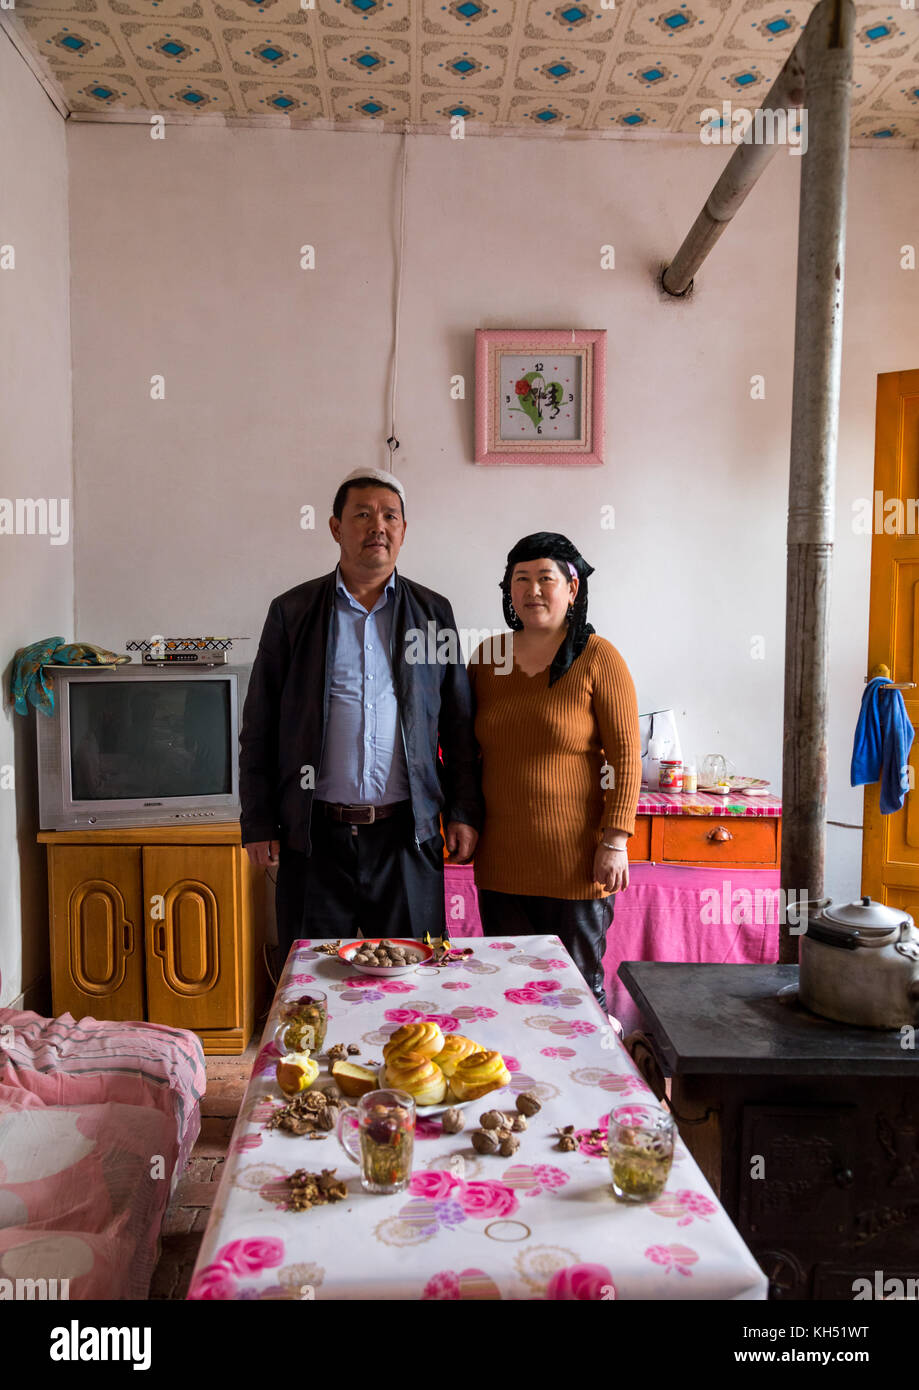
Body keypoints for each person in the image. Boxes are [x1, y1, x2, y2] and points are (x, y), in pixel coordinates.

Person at [239, 468, 481, 960]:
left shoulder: (434, 614)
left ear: (404, 531)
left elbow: (458, 724)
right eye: (363, 514)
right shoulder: (293, 611)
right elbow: (259, 725)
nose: (378, 526)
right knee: (314, 978)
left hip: (406, 838)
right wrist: (259, 820)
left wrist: (461, 811)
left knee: (416, 977)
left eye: (390, 516)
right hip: (314, 838)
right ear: (335, 528)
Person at [467, 532, 642, 1012]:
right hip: (500, 864)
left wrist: (615, 840)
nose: (533, 590)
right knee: (506, 991)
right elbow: (463, 750)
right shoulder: (487, 658)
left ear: (573, 587)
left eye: (546, 578)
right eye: (520, 579)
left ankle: (589, 1085)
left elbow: (626, 756)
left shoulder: (598, 657)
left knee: (574, 996)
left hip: (575, 865)